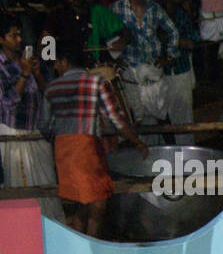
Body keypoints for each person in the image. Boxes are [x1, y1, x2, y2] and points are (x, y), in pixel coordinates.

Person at [39, 45, 148, 238]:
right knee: (98, 202)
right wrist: (136, 141)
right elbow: (116, 120)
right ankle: (91, 243)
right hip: (86, 147)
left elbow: (44, 126)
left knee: (79, 201)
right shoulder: (97, 83)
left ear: (64, 61)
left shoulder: (51, 88)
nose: (56, 67)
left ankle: (79, 244)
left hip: (63, 150)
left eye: (56, 63)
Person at [0, 14, 59, 221]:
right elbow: (7, 103)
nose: (19, 39)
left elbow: (50, 93)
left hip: (38, 130)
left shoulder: (34, 60)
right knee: (23, 187)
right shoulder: (2, 67)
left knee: (46, 180)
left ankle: (50, 225)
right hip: (15, 133)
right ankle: (25, 228)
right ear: (1, 39)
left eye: (20, 34)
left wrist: (37, 73)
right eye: (13, 35)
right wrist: (25, 75)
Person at [110, 0, 179, 127]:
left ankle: (172, 151)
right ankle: (142, 150)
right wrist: (115, 58)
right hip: (129, 70)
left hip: (152, 67)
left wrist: (169, 56)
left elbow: (173, 31)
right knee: (135, 117)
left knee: (162, 115)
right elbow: (107, 37)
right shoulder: (116, 9)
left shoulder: (154, 9)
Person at [159, 0, 197, 143]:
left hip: (180, 70)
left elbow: (192, 42)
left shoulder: (182, 14)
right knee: (159, 119)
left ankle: (187, 163)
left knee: (184, 121)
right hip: (160, 73)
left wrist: (169, 38)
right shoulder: (154, 14)